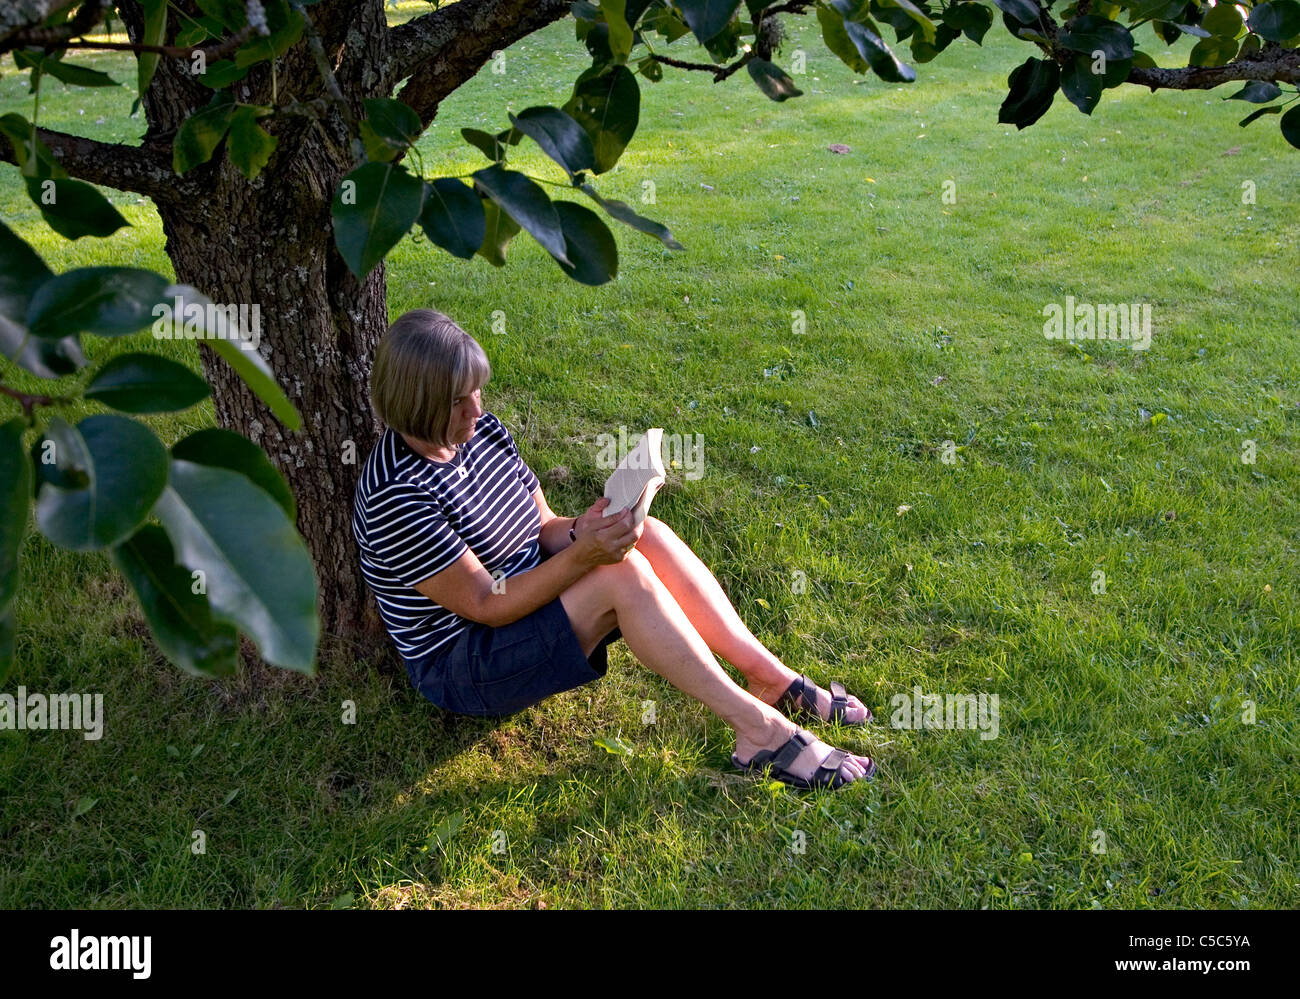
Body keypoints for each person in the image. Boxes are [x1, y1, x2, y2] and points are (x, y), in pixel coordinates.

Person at [352, 309, 877, 790]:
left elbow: (542, 527)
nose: (477, 408)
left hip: (524, 597)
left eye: (477, 391)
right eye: (457, 401)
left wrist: (584, 529)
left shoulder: (479, 431)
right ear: (416, 406)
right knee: (619, 577)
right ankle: (759, 732)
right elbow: (487, 604)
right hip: (468, 659)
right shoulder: (397, 495)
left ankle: (770, 678)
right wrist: (586, 558)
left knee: (650, 537)